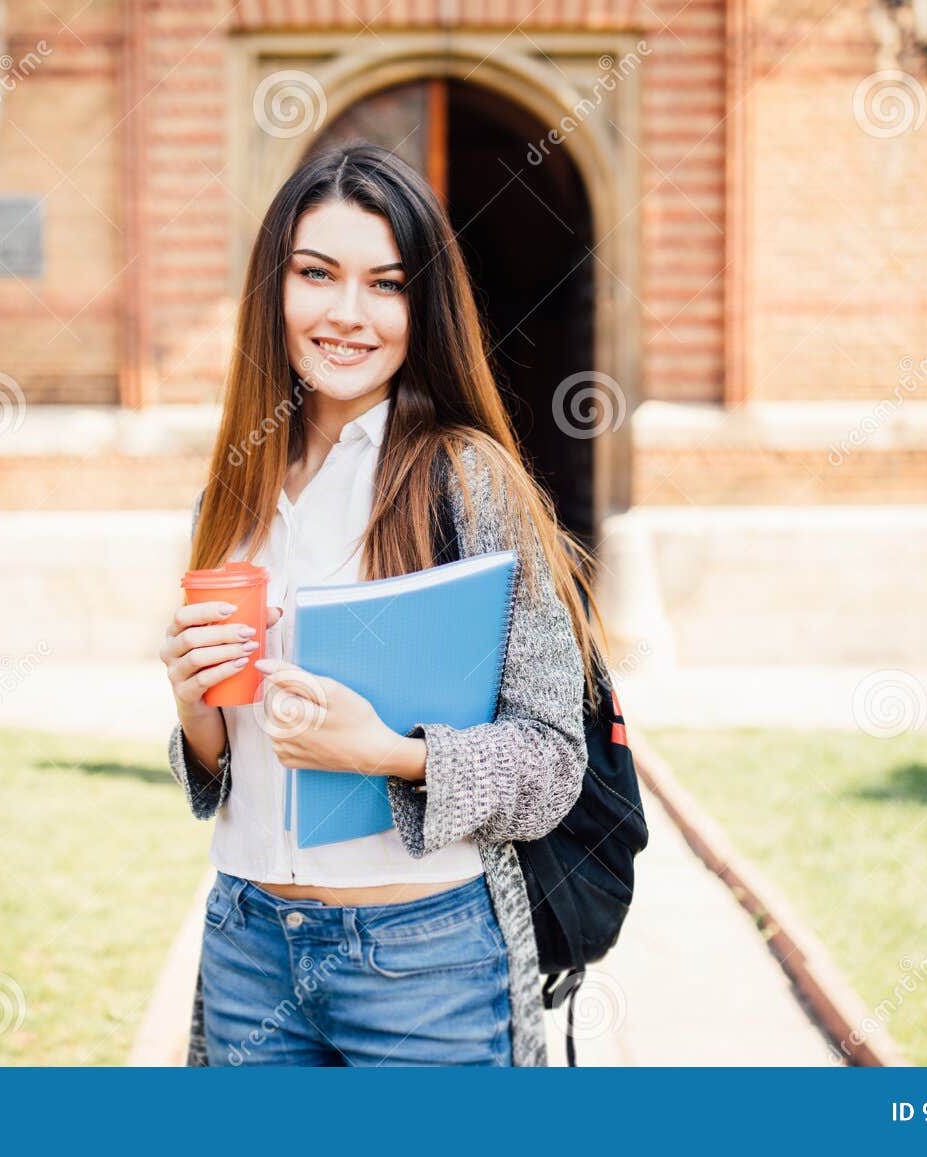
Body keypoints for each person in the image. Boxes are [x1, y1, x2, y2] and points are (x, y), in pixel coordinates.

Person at [160, 143, 611, 1066]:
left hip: (423, 957)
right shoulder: (234, 487)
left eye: (387, 284)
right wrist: (191, 707)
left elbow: (554, 761)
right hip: (249, 943)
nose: (347, 314)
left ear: (423, 307)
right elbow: (224, 768)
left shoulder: (469, 480)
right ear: (273, 288)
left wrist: (389, 754)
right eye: (317, 274)